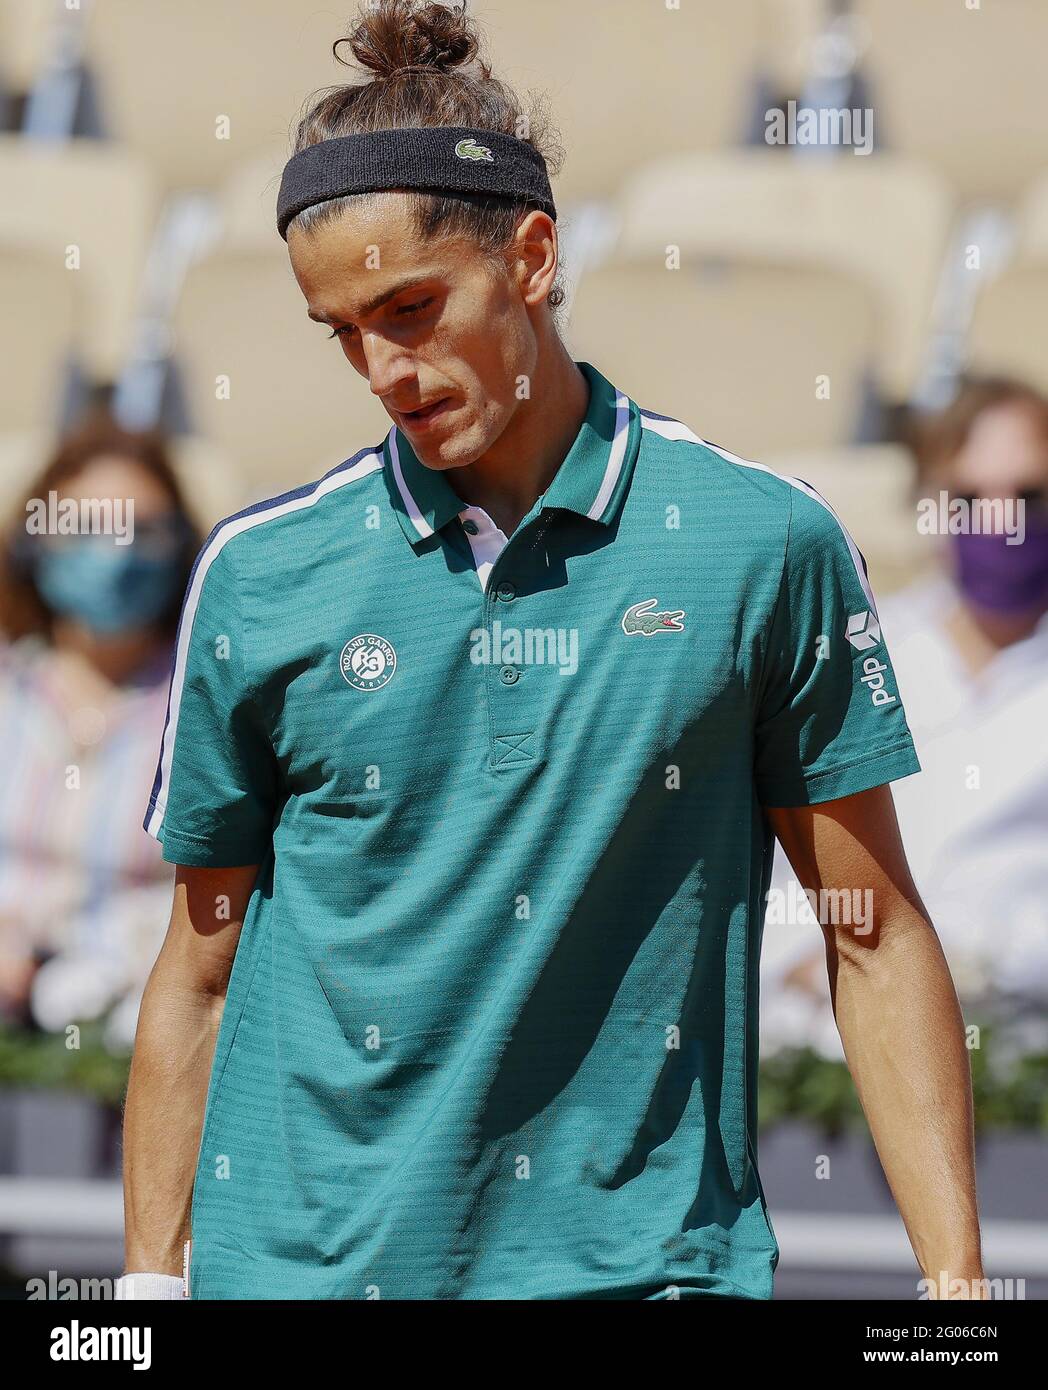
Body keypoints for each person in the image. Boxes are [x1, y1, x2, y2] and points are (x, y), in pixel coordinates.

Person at [120, 0, 985, 1301]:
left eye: (413, 307)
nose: (384, 369)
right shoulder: (257, 576)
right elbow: (197, 965)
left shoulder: (765, 546)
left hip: (650, 1274)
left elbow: (870, 930)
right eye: (342, 330)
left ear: (531, 257)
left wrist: (958, 1291)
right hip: (295, 1275)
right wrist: (141, 1292)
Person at [761, 377, 1048, 1057]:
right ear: (929, 506)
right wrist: (819, 957)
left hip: (1022, 1064)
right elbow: (773, 866)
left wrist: (973, 962)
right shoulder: (850, 650)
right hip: (819, 1048)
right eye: (971, 499)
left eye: (1031, 497)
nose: (1001, 521)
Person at [0, 410, 200, 1046]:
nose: (114, 554)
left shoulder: (208, 707)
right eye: (87, 527)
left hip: (139, 1046)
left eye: (142, 531)